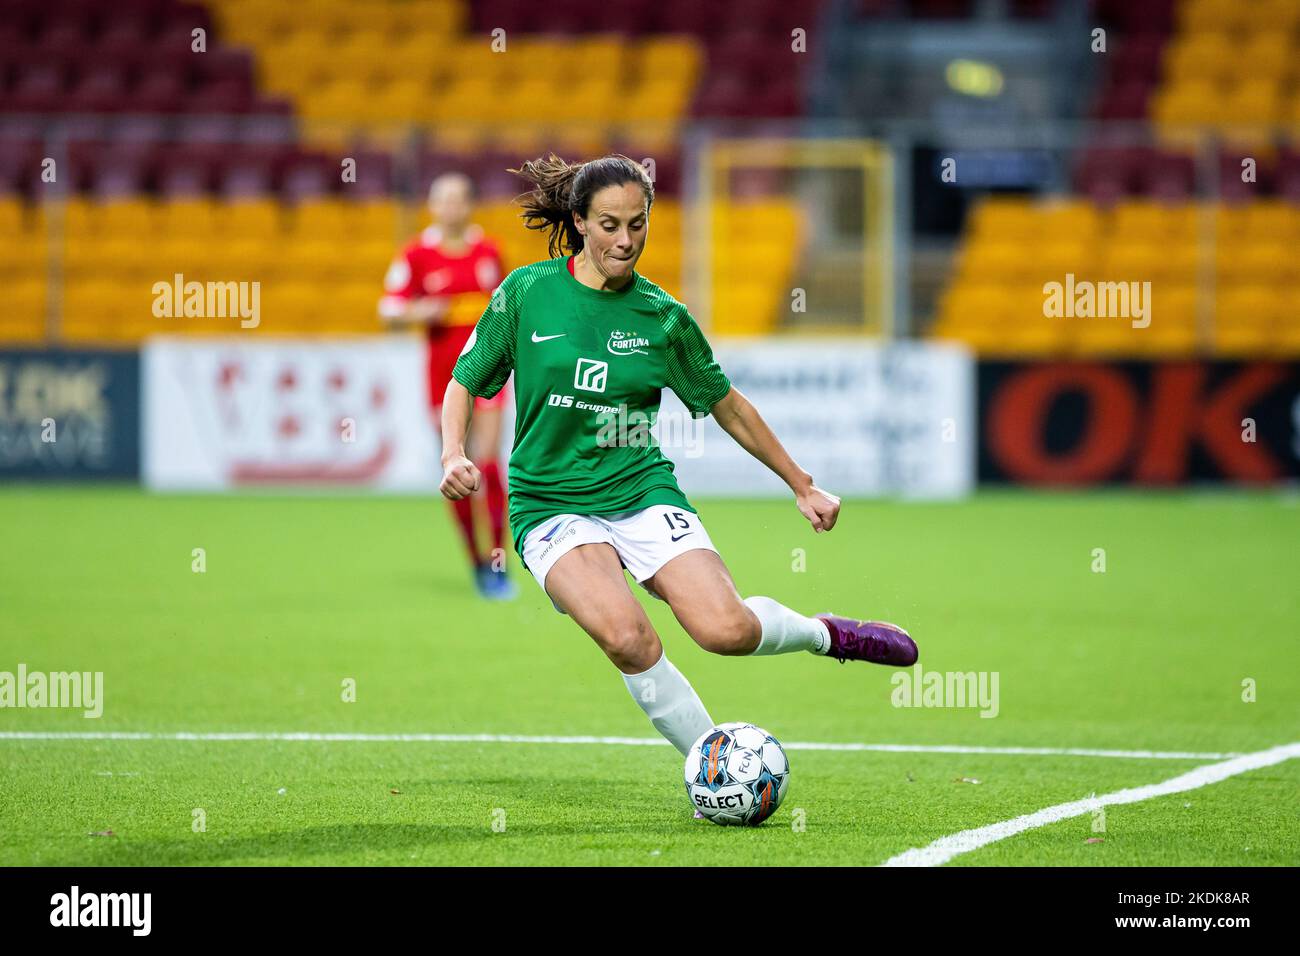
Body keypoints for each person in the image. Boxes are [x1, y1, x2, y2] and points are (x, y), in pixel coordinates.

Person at [440, 154, 917, 789]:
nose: (625, 240)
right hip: (548, 503)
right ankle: (716, 770)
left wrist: (801, 483)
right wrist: (454, 453)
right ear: (579, 222)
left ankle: (823, 633)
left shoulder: (662, 317)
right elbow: (465, 381)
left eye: (638, 225)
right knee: (626, 636)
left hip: (640, 489)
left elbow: (728, 406)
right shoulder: (527, 294)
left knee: (725, 630)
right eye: (609, 225)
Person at [380, 172, 513, 598]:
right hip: (443, 378)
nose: (451, 208)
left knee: (490, 465)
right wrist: (425, 310)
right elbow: (388, 310)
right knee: (458, 468)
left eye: (458, 199)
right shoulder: (417, 254)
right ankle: (474, 559)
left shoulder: (489, 251)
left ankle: (498, 562)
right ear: (432, 206)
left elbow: (510, 307)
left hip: (489, 373)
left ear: (470, 204)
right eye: (443, 200)